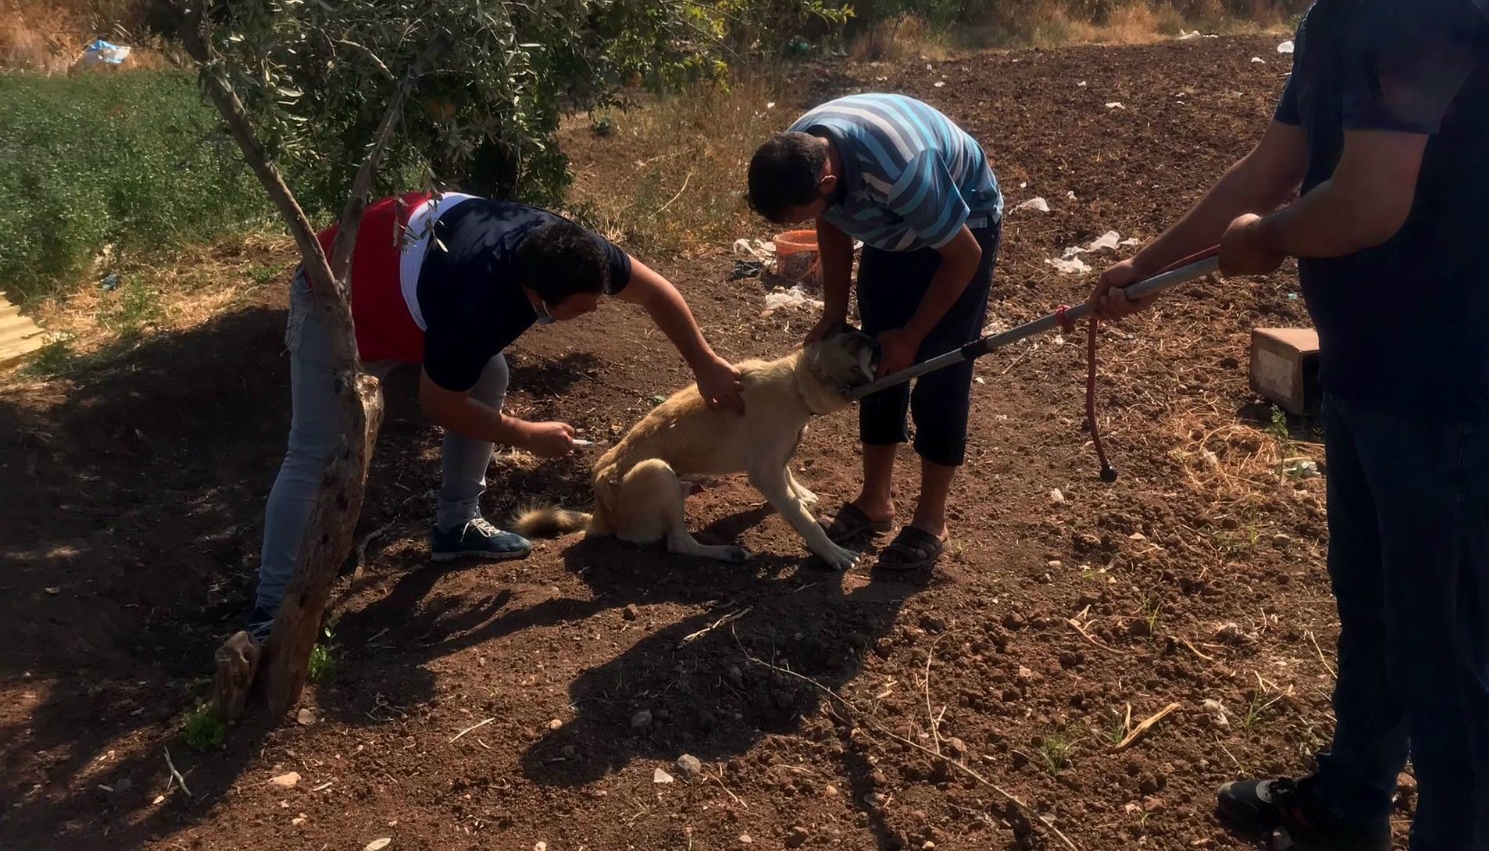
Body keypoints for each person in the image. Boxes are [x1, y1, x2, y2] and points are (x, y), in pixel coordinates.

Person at [1091, 0, 1489, 851]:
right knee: (1376, 610)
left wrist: (1264, 241)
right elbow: (1273, 162)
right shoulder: (1340, 9)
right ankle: (1351, 802)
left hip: (1462, 377)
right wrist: (1144, 266)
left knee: (1445, 659)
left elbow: (1365, 202)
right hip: (1379, 367)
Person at [248, 191, 744, 638]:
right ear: (537, 299)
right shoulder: (479, 304)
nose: (593, 313)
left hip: (418, 282)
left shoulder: (574, 254)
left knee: (488, 377)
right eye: (580, 309)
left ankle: (456, 526)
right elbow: (438, 404)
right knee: (315, 451)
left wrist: (705, 365)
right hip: (341, 292)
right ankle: (271, 614)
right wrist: (528, 435)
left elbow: (656, 291)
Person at [746, 94, 1002, 569]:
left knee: (941, 368)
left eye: (798, 214)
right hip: (892, 230)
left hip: (963, 225)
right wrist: (834, 312)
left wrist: (912, 336)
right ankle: (875, 501)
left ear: (828, 179)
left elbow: (963, 257)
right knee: (874, 361)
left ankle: (931, 520)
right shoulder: (802, 148)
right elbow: (832, 222)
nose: (799, 223)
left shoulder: (903, 171)